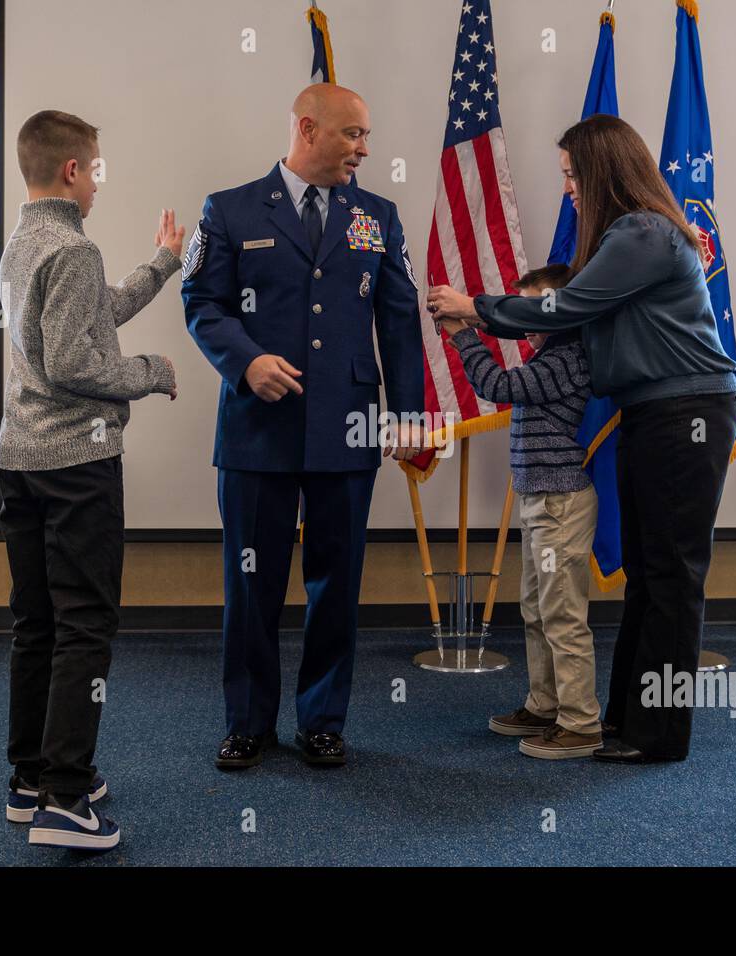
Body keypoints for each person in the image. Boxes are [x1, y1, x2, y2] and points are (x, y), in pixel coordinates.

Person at [427, 113, 736, 764]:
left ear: (601, 170)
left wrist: (474, 309)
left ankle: (658, 737)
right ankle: (629, 723)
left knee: (673, 578)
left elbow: (564, 309)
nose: (568, 188)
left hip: (688, 413)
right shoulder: (632, 235)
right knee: (649, 577)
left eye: (572, 174)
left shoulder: (643, 232)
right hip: (654, 412)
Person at [182, 83, 424, 770]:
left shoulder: (376, 216)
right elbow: (202, 302)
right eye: (352, 134)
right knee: (251, 582)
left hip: (347, 429)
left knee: (336, 584)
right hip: (258, 428)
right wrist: (246, 359)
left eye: (366, 136)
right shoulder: (228, 210)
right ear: (308, 128)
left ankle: (322, 719)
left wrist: (406, 411)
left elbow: (399, 318)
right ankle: (248, 721)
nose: (364, 149)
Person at [0, 109, 185, 850]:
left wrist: (161, 263)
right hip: (76, 465)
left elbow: (90, 319)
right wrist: (152, 373)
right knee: (84, 627)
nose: (100, 181)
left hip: (22, 463)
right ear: (72, 170)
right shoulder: (72, 247)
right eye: (97, 168)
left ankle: (31, 777)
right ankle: (67, 800)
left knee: (37, 624)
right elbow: (81, 363)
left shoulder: (23, 241)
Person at [439, 263, 603, 760]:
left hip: (560, 503)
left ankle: (580, 722)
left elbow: (496, 385)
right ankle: (545, 703)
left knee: (562, 613)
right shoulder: (551, 350)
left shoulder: (568, 358)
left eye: (536, 308)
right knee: (536, 609)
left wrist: (463, 335)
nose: (527, 320)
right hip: (541, 500)